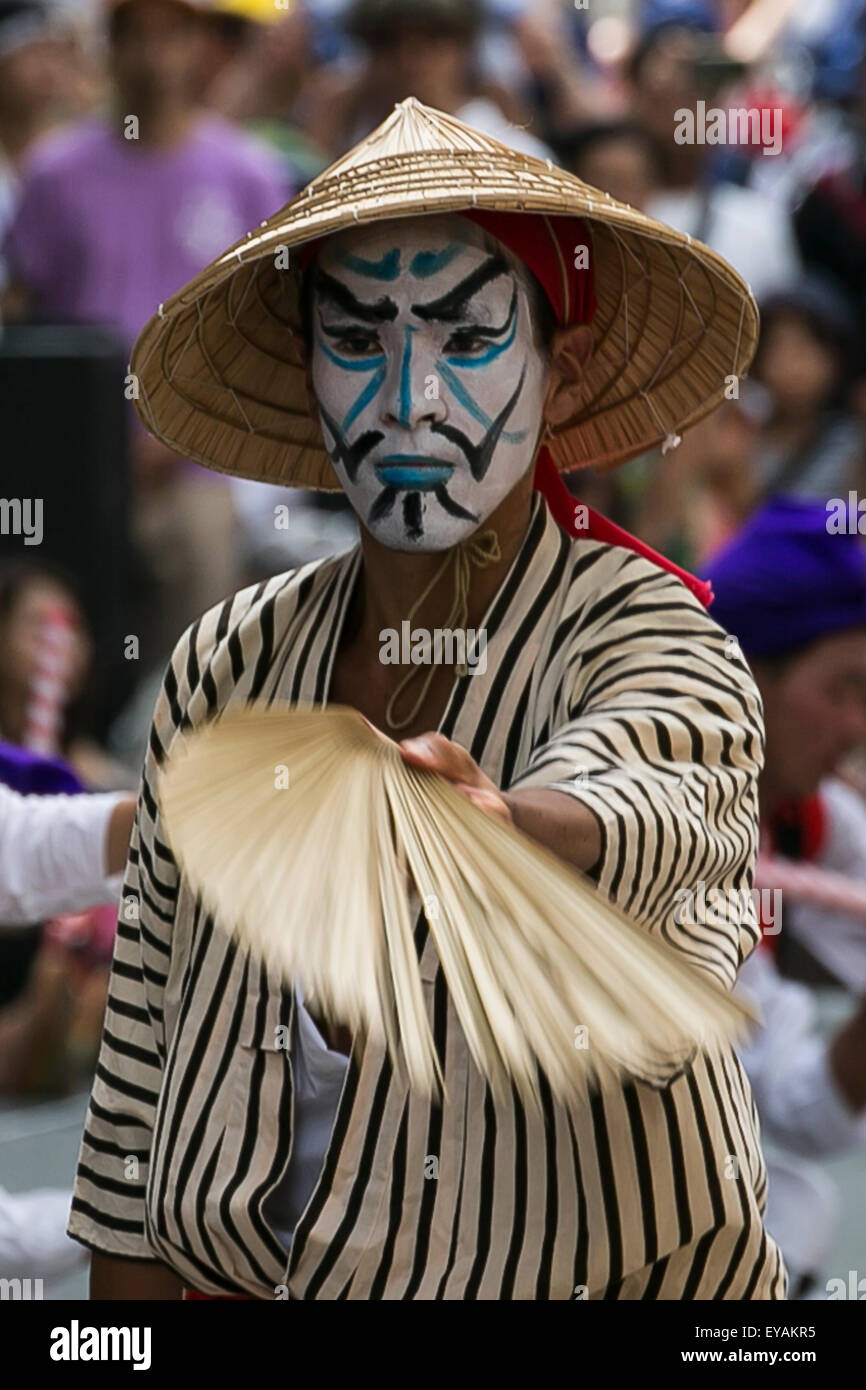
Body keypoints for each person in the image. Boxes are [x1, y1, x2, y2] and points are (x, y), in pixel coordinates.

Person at [69, 97, 784, 1300]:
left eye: (465, 340)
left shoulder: (651, 630)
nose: (407, 396)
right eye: (355, 338)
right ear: (305, 374)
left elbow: (661, 785)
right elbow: (139, 1089)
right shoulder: (225, 661)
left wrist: (516, 824)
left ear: (566, 377)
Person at [705, 495, 866, 1294]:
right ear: (745, 674)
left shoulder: (794, 812)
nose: (855, 727)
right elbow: (788, 1101)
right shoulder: (671, 843)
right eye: (841, 690)